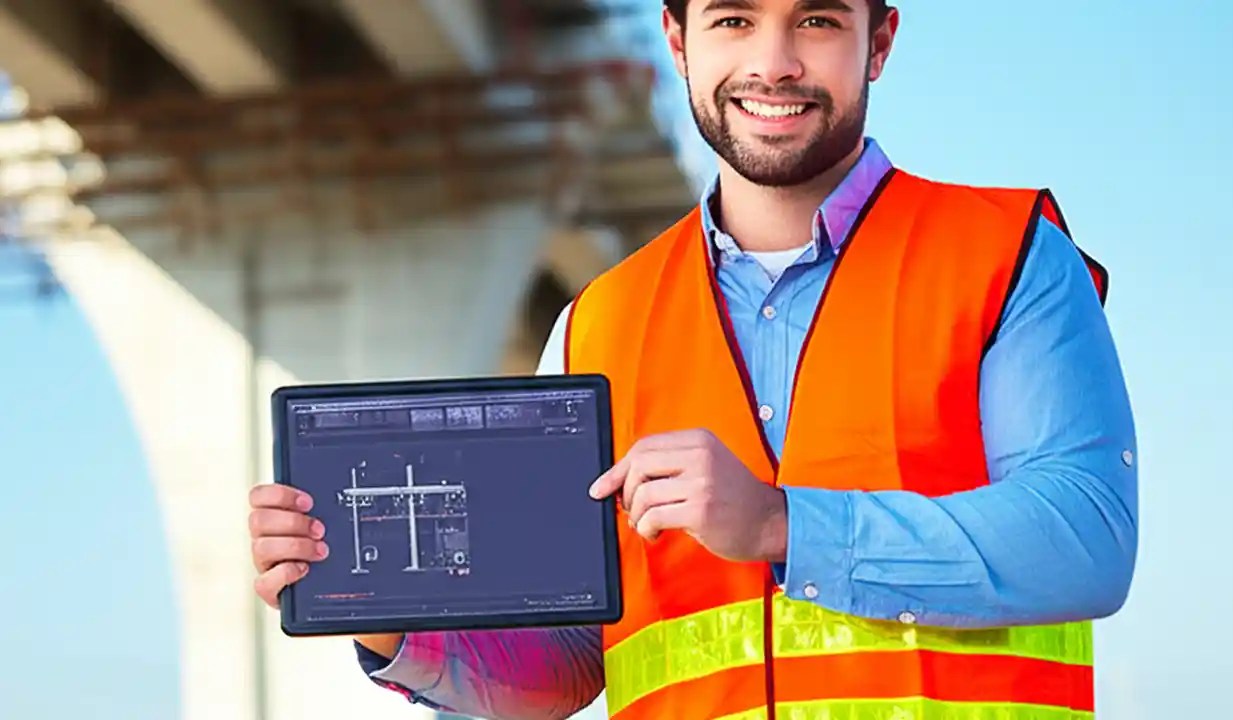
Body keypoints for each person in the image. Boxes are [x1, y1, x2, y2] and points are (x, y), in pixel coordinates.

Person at [248, 0, 1138, 718]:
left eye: (818, 20)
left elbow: (1086, 541)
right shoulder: (597, 324)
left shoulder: (1008, 256)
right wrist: (390, 623)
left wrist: (783, 525)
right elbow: (569, 664)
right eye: (734, 20)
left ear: (881, 40)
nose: (775, 62)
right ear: (678, 39)